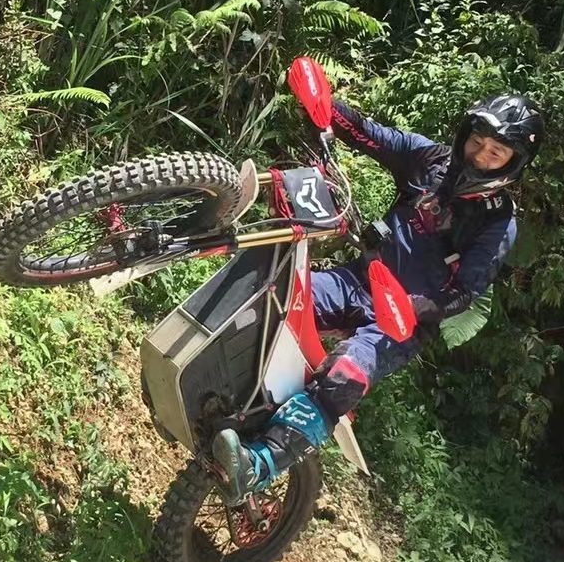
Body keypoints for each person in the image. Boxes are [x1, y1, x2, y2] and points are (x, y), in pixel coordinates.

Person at [212, 93, 544, 500]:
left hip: (398, 325)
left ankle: (258, 466)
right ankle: (219, 391)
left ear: (512, 162)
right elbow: (371, 135)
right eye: (477, 141)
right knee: (269, 293)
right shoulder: (432, 160)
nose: (479, 155)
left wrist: (417, 308)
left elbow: (464, 293)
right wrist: (323, 107)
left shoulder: (497, 221)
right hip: (358, 280)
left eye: (496, 152)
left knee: (344, 376)